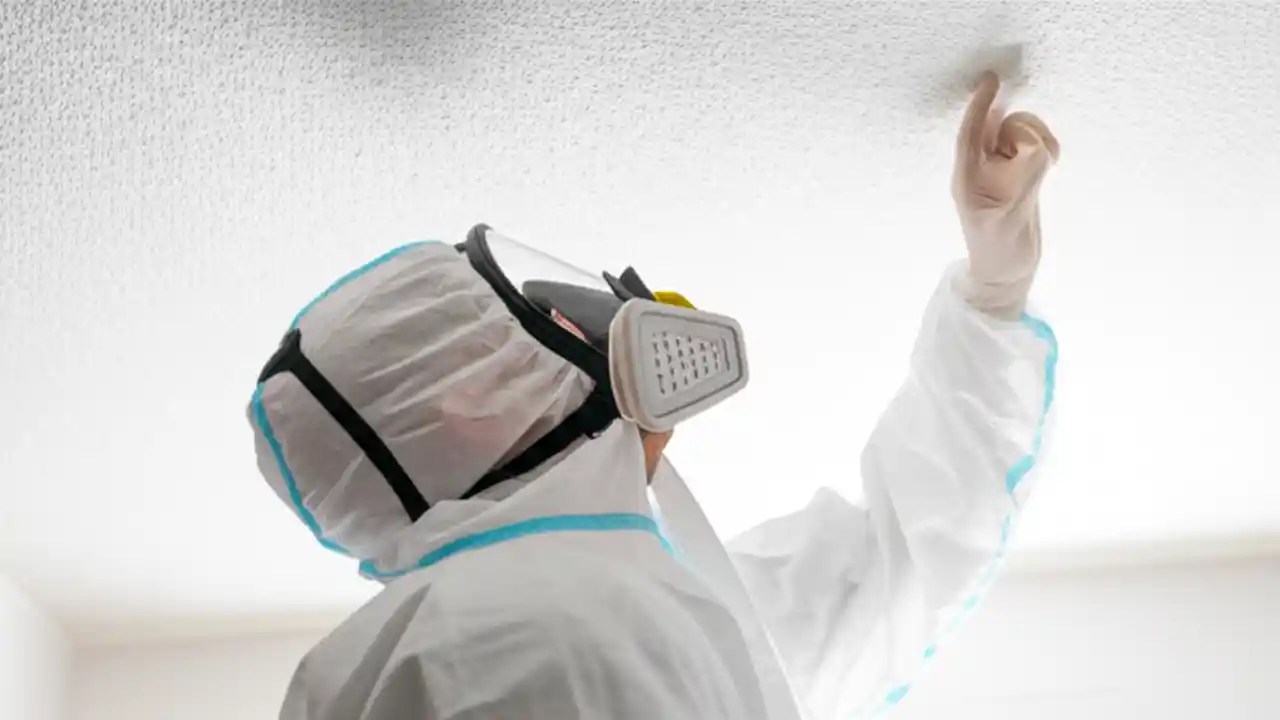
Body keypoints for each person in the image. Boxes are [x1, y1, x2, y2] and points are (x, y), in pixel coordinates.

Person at [247, 72, 1060, 720]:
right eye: (540, 320)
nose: (605, 315)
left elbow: (899, 561)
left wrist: (991, 297)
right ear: (471, 411)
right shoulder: (528, 621)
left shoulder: (674, 605)